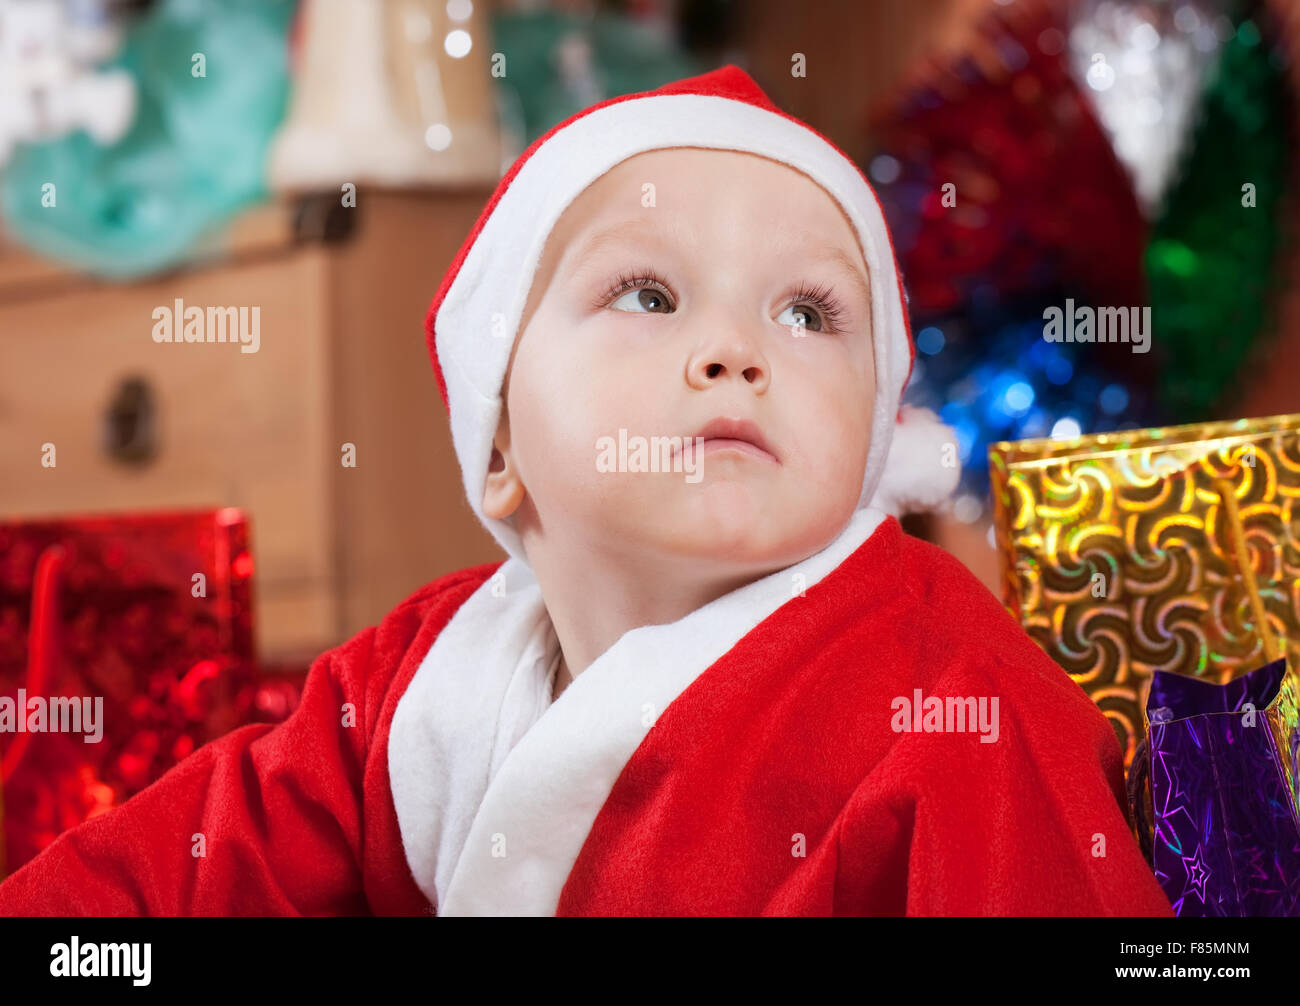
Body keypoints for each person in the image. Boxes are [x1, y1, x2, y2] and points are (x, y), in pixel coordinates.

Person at [0, 65, 1173, 917]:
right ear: (498, 443)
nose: (734, 352)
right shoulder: (415, 682)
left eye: (808, 313)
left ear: (875, 441)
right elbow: (178, 874)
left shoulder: (955, 705)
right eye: (650, 295)